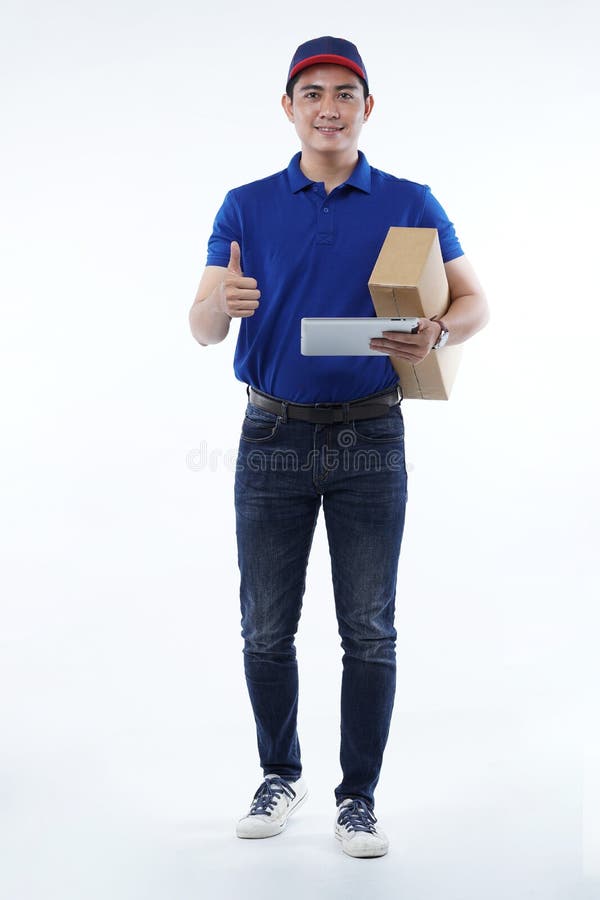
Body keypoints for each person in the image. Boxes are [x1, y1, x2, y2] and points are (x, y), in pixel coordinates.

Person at [188, 36, 489, 859]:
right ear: (288, 106)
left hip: (370, 433)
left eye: (345, 93)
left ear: (366, 107)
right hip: (271, 433)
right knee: (264, 626)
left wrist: (435, 329)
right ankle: (278, 773)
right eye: (312, 92)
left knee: (369, 628)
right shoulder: (246, 204)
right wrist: (226, 304)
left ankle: (358, 799)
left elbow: (474, 303)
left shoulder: (408, 198)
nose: (328, 106)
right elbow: (202, 326)